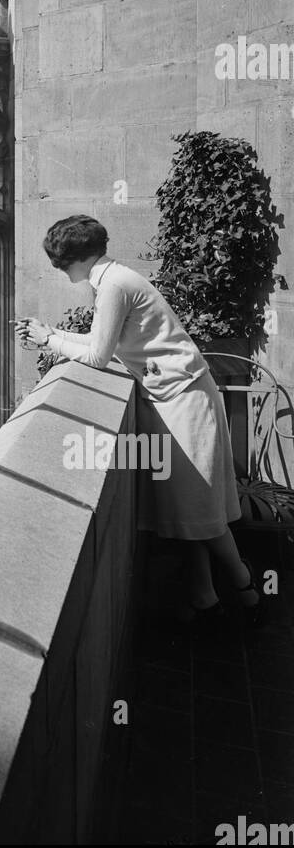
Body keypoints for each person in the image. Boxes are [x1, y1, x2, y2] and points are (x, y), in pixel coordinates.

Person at [16, 215, 262, 628]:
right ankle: (205, 598)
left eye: (60, 262)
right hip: (175, 397)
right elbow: (103, 344)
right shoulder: (115, 278)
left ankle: (246, 588)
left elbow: (97, 357)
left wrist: (48, 340)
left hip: (185, 401)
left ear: (72, 258)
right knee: (188, 510)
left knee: (200, 511)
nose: (59, 270)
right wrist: (52, 333)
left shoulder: (113, 286)